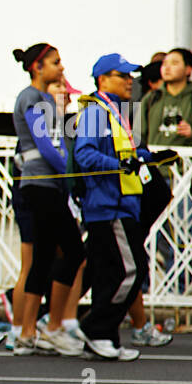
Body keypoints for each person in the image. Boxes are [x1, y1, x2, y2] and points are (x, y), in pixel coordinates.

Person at [73, 53, 173, 361]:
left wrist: (150, 156)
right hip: (108, 206)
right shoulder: (95, 112)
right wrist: (121, 163)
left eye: (132, 76)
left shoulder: (117, 111)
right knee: (133, 269)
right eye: (123, 75)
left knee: (110, 273)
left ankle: (105, 337)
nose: (131, 81)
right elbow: (85, 155)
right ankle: (96, 329)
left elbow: (126, 152)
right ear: (103, 79)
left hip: (123, 204)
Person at [9, 42, 84, 356]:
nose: (61, 67)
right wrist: (70, 176)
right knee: (74, 250)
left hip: (49, 186)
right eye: (55, 62)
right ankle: (52, 327)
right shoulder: (31, 97)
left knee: (41, 259)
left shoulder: (46, 101)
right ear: (37, 66)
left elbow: (60, 143)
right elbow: (46, 145)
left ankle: (27, 334)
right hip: (40, 185)